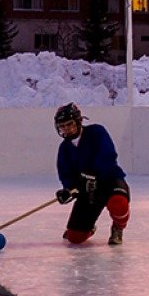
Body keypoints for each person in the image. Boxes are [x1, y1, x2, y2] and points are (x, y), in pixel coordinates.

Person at [54, 103, 130, 245]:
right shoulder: (64, 149)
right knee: (74, 238)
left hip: (110, 181)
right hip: (88, 191)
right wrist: (68, 190)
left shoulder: (97, 132)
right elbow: (66, 175)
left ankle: (118, 227)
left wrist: (92, 174)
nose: (66, 129)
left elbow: (107, 156)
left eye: (69, 124)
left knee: (119, 204)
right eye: (62, 126)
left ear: (79, 121)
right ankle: (89, 226)